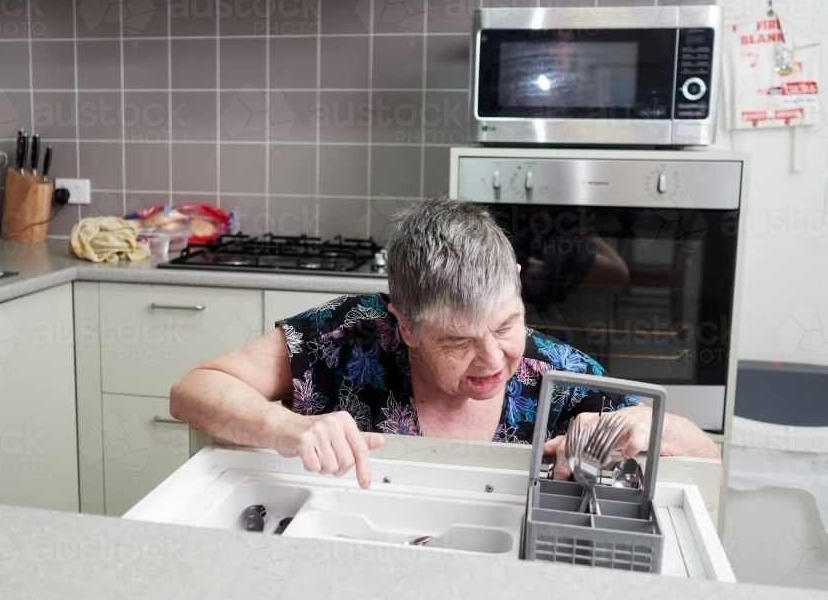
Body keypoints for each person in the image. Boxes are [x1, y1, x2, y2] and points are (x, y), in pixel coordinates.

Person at [171, 198, 720, 489]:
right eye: (456, 341)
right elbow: (193, 390)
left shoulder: (559, 374)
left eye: (507, 326)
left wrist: (640, 428)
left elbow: (707, 457)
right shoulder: (348, 333)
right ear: (404, 326)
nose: (493, 359)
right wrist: (285, 426)